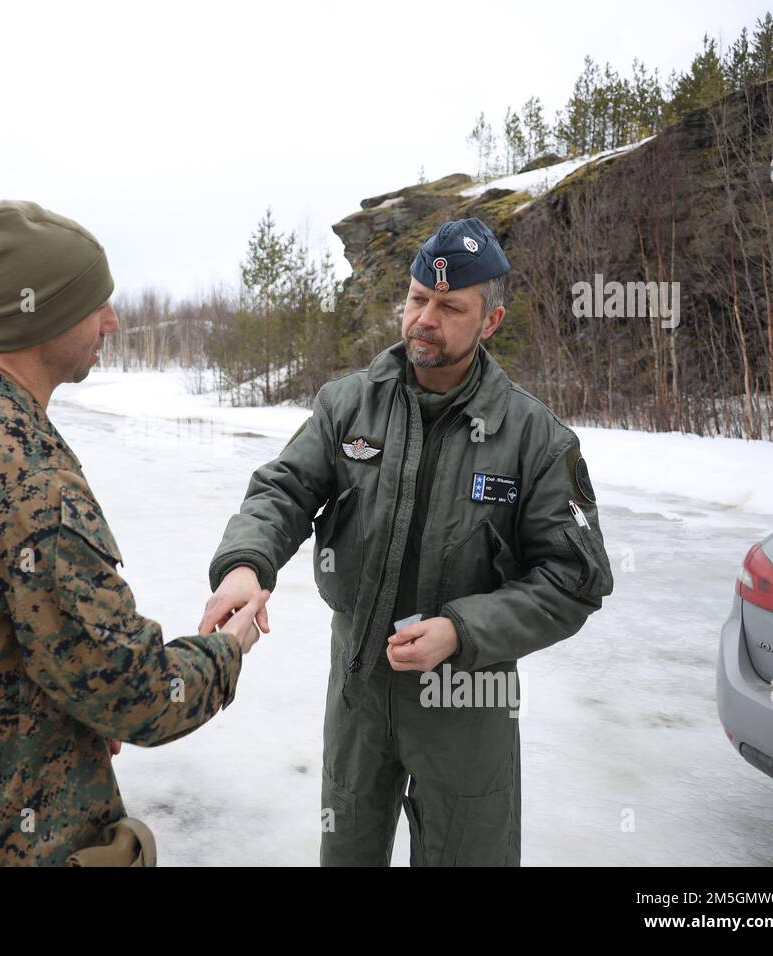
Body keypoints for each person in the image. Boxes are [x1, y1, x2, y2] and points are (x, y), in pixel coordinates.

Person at [0, 199, 266, 866]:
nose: (112, 321)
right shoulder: (26, 474)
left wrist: (70, 715)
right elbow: (134, 693)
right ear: (42, 316)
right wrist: (229, 647)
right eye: (94, 304)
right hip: (16, 841)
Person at [201, 217, 614, 866]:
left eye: (450, 307)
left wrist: (463, 629)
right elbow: (282, 491)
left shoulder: (535, 438)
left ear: (491, 321)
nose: (425, 317)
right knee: (347, 850)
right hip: (360, 683)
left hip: (466, 693)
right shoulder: (348, 405)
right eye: (419, 297)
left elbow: (574, 579)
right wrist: (247, 564)